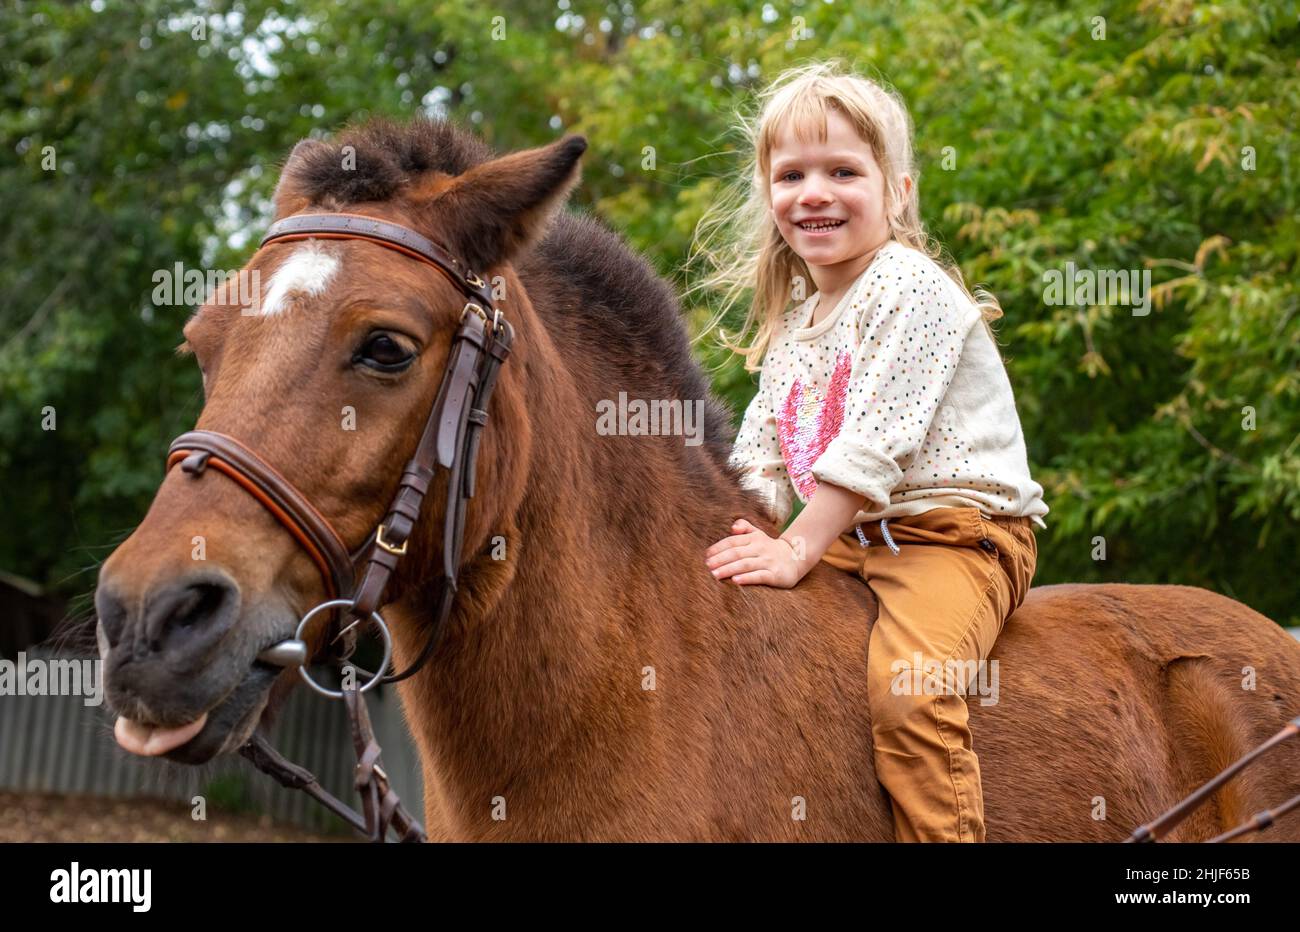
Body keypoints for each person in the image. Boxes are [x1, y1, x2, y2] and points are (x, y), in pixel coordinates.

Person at [698, 60, 1048, 842]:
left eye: (843, 171)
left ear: (899, 192)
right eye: (791, 174)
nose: (813, 192)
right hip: (851, 542)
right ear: (771, 200)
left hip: (956, 539)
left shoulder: (911, 289)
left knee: (911, 695)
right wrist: (736, 536)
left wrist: (792, 551)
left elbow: (872, 446)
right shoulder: (797, 322)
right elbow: (760, 452)